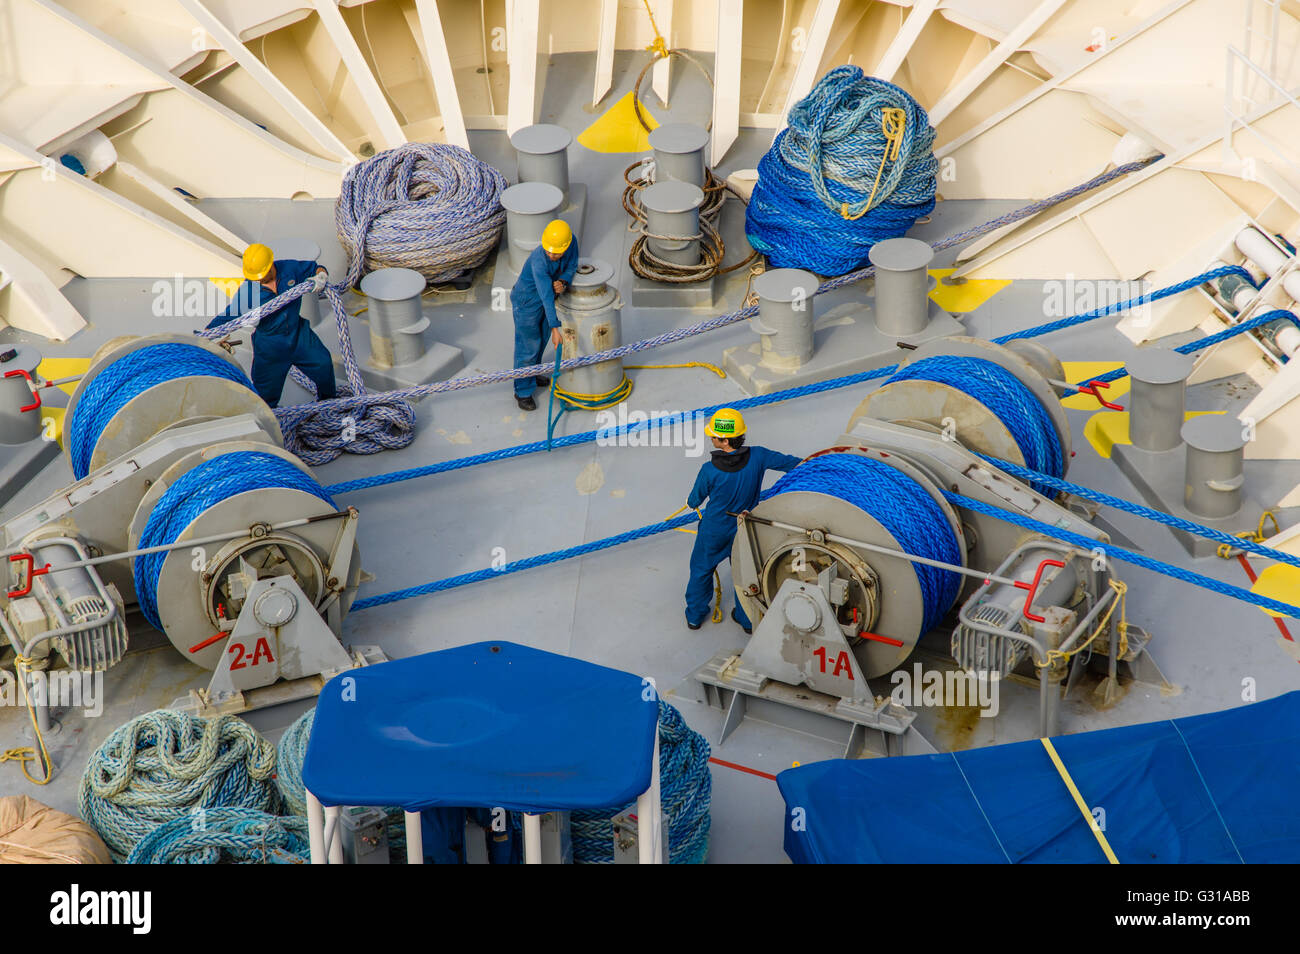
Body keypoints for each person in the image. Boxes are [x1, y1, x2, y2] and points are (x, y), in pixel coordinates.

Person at [684, 409, 802, 632]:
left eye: (714, 436)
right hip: (745, 527)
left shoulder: (709, 470)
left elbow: (694, 500)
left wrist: (691, 502)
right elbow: (792, 463)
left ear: (725, 440)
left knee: (701, 569)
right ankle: (746, 619)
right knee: (744, 572)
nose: (711, 438)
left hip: (714, 529)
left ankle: (695, 616)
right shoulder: (759, 456)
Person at [206, 243, 337, 408]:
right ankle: (272, 418)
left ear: (271, 265)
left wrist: (321, 276)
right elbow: (230, 315)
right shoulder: (248, 292)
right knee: (264, 396)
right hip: (270, 346)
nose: (259, 279)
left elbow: (316, 268)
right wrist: (208, 332)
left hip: (299, 335)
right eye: (256, 276)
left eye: (262, 274)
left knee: (323, 363)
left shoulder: (290, 269)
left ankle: (330, 404)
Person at [511, 219, 578, 411]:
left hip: (545, 298)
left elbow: (572, 264)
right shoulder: (539, 261)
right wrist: (555, 327)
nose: (551, 254)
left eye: (556, 252)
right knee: (528, 346)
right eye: (549, 250)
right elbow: (546, 295)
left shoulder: (572, 242)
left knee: (541, 340)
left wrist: (564, 281)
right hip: (528, 302)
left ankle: (533, 373)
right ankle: (522, 391)